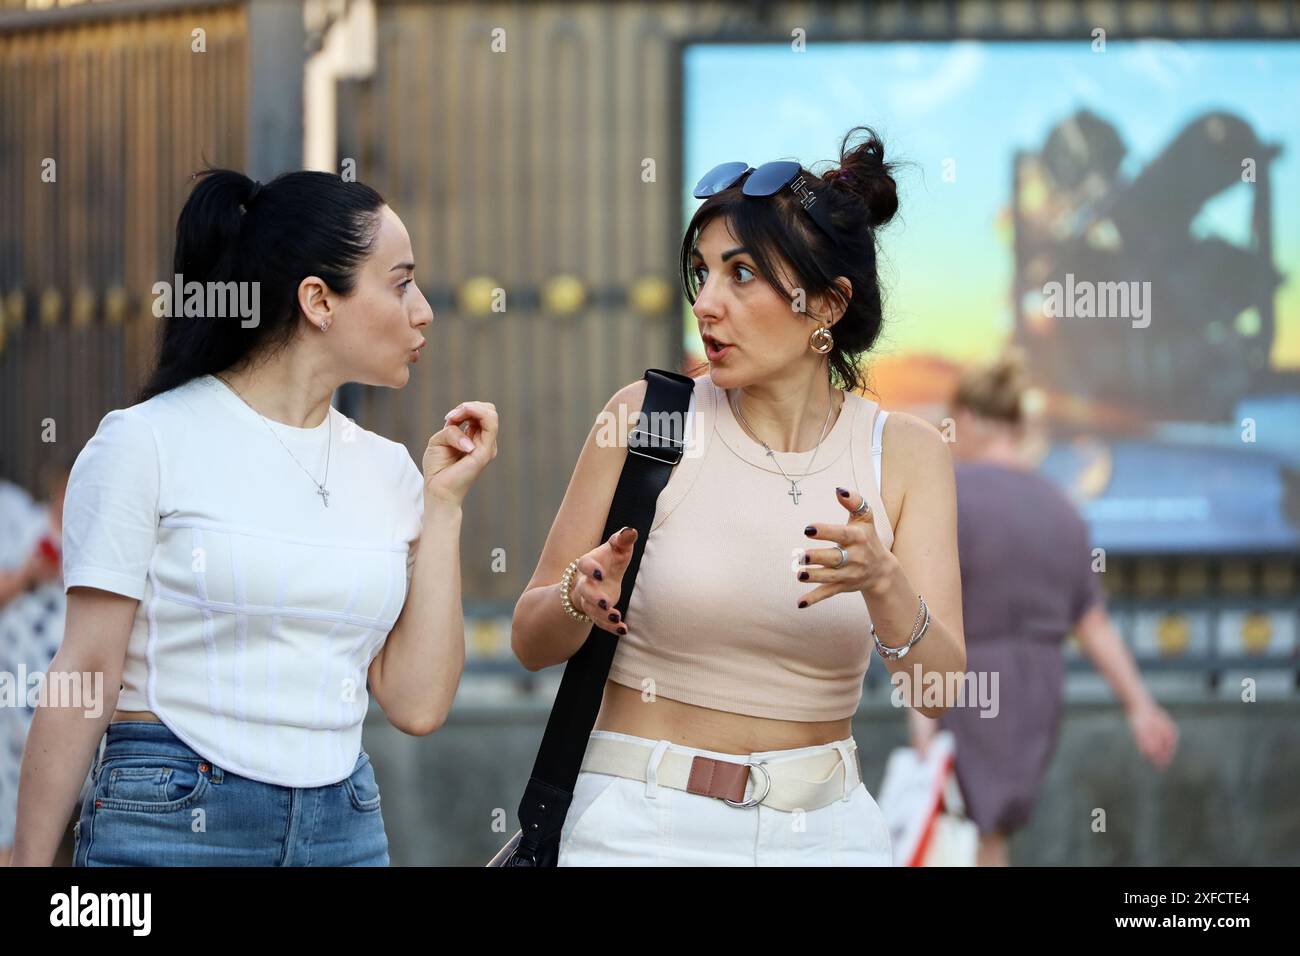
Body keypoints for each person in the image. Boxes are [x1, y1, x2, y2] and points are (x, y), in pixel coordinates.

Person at [11, 168, 497, 866]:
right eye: (400, 283)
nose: (423, 310)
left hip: (344, 826)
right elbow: (86, 668)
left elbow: (417, 706)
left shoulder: (392, 472)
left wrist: (444, 505)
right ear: (318, 301)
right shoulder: (145, 442)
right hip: (171, 819)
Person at [512, 127, 966, 865]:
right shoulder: (647, 416)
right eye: (703, 273)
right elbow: (529, 642)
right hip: (640, 829)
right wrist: (576, 595)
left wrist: (884, 582)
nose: (707, 303)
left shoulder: (907, 453)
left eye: (742, 274)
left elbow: (941, 693)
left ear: (826, 305)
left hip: (830, 834)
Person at [908, 349, 1178, 866]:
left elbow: (924, 613)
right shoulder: (1062, 508)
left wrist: (921, 724)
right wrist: (1141, 706)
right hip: (1036, 692)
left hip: (965, 686)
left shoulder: (949, 493)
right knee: (992, 838)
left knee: (959, 836)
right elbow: (1092, 623)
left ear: (969, 417)